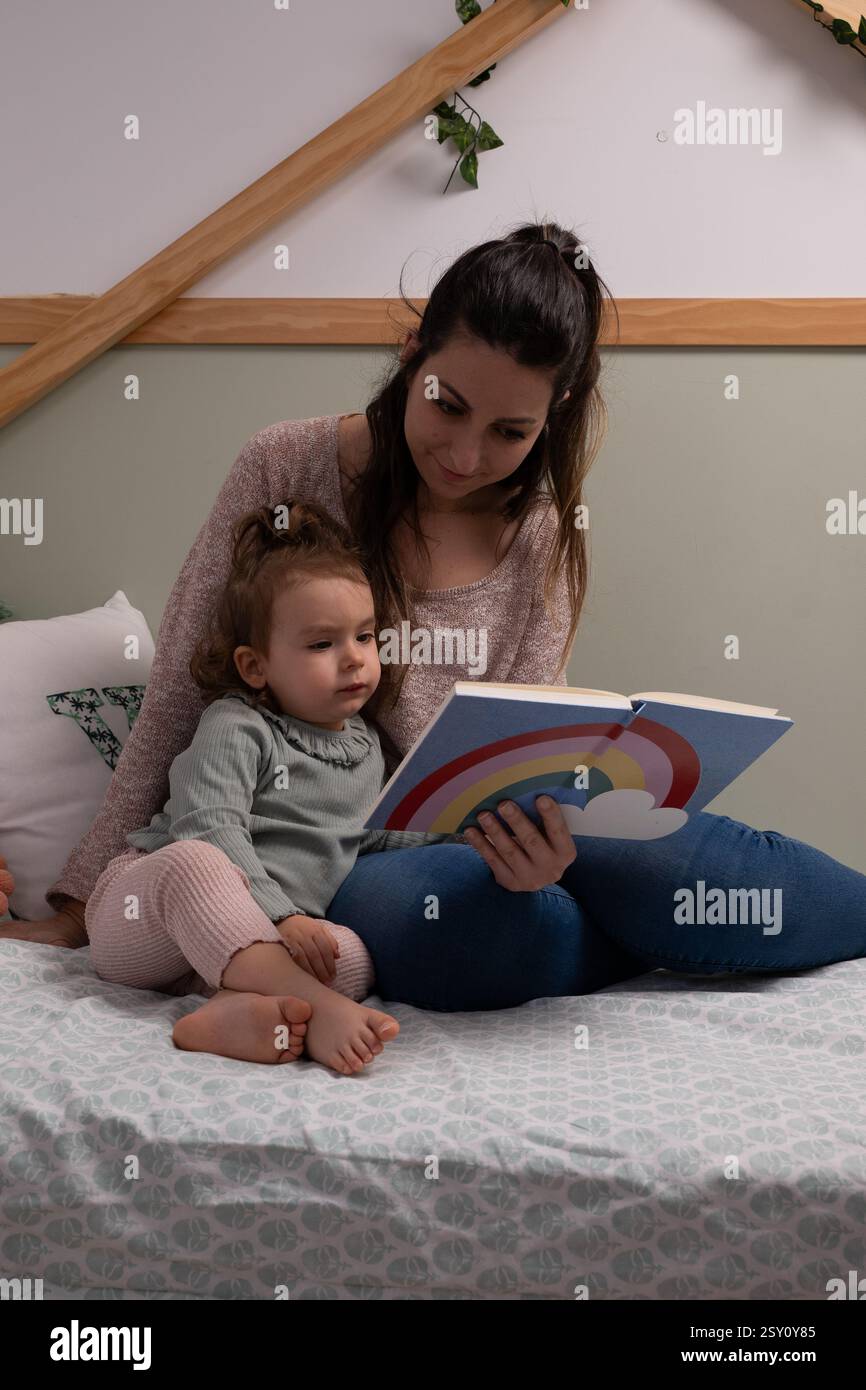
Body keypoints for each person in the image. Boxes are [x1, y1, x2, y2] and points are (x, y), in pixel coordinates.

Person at [3, 220, 866, 1007]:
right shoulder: (282, 466)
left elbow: (532, 730)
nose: (464, 455)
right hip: (358, 857)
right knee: (467, 929)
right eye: (447, 405)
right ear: (413, 354)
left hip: (506, 831)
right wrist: (79, 906)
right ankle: (619, 944)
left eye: (509, 432)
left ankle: (637, 914)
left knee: (696, 868)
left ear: (554, 413)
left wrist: (545, 829)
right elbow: (180, 700)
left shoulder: (538, 532)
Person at [83, 499, 465, 1073]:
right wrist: (283, 915)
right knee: (197, 860)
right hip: (148, 919)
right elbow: (208, 825)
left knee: (353, 952)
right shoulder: (238, 726)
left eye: (364, 637)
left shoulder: (364, 749)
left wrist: (462, 835)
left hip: (241, 952)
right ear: (255, 666)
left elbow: (374, 837)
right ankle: (318, 1006)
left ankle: (230, 1010)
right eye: (321, 644)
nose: (354, 659)